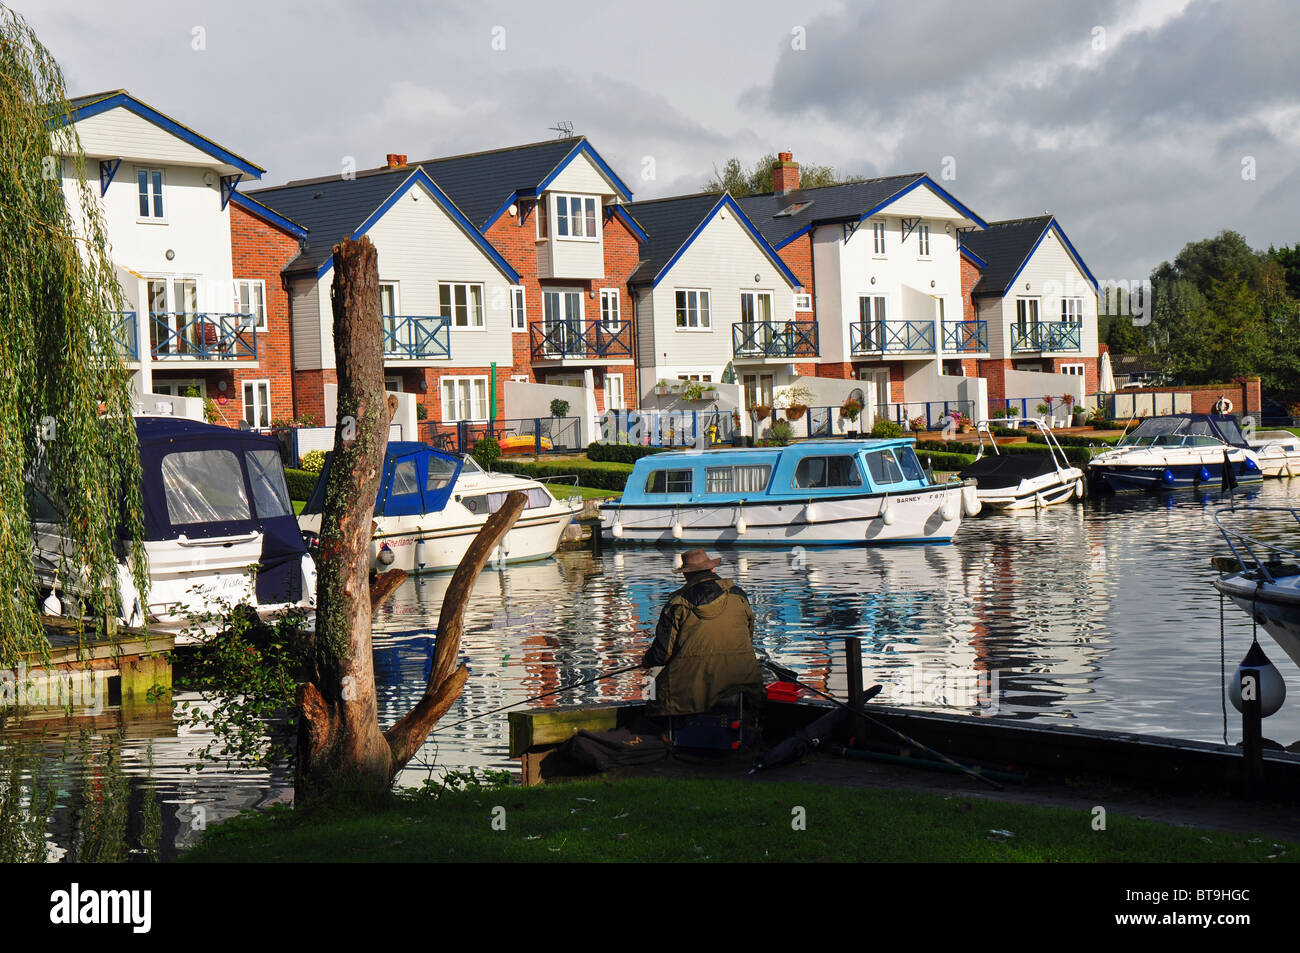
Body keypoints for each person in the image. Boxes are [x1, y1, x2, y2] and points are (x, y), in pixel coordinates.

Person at [642, 549, 764, 717]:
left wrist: (646, 661)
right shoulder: (739, 596)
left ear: (685, 575)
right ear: (712, 570)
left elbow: (661, 655)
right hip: (746, 682)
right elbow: (748, 638)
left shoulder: (676, 604)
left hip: (690, 691)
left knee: (653, 688)